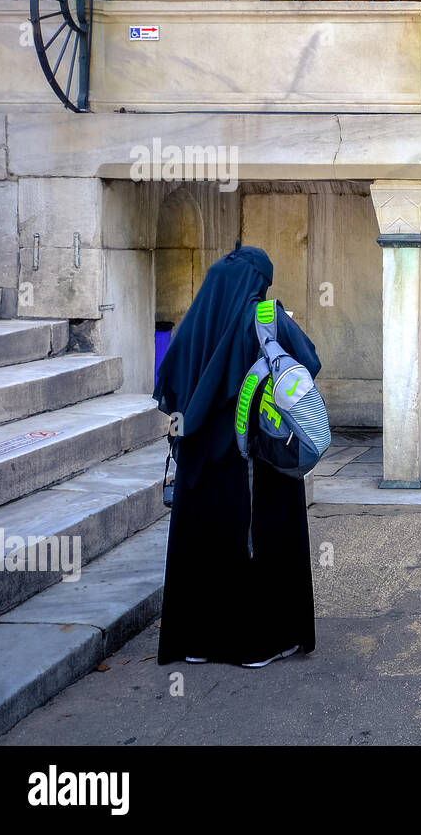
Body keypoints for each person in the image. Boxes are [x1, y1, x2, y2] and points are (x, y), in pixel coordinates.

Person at [153, 244, 320, 668]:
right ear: (258, 283)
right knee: (258, 542)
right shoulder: (265, 316)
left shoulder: (193, 323)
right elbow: (308, 363)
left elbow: (169, 381)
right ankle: (257, 645)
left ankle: (196, 643)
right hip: (257, 458)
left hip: (198, 459)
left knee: (203, 545)